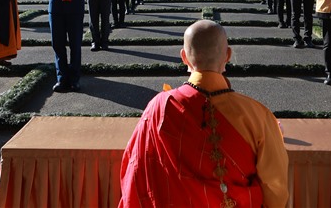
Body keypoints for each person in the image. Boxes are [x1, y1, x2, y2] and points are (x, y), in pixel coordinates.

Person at [119, 20, 289, 208]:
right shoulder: (257, 115)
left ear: (184, 57)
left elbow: (136, 170)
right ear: (228, 55)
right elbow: (275, 187)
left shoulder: (160, 108)